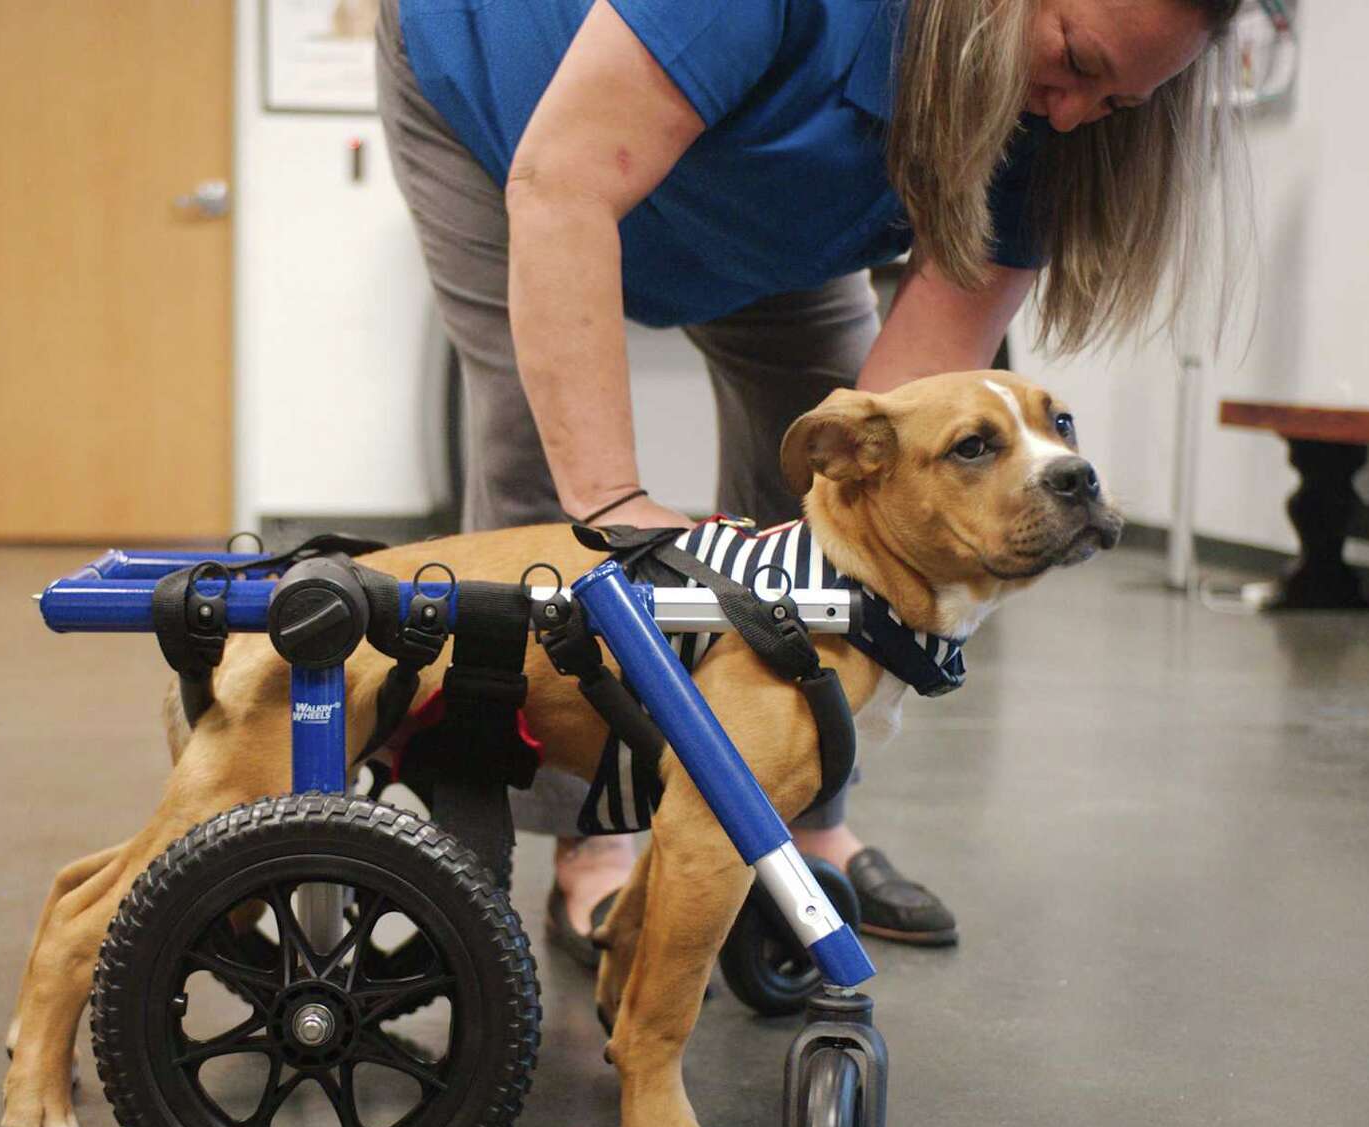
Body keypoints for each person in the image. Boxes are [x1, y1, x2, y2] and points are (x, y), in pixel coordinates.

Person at [376, 0, 1241, 963]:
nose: (1077, 113)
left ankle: (803, 819)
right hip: (516, 124)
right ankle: (601, 841)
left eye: (1118, 102)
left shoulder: (1050, 119)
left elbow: (892, 439)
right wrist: (613, 503)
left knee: (837, 455)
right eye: (1076, 59)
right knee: (548, 483)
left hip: (768, 204)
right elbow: (564, 184)